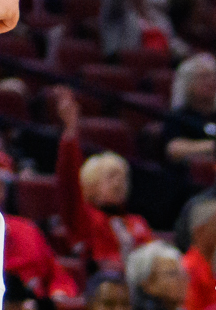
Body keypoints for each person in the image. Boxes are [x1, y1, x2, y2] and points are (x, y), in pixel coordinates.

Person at [55, 87, 154, 268]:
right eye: (111, 177)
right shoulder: (84, 218)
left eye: (122, 177)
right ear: (91, 184)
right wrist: (70, 132)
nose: (119, 183)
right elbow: (68, 184)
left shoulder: (138, 222)